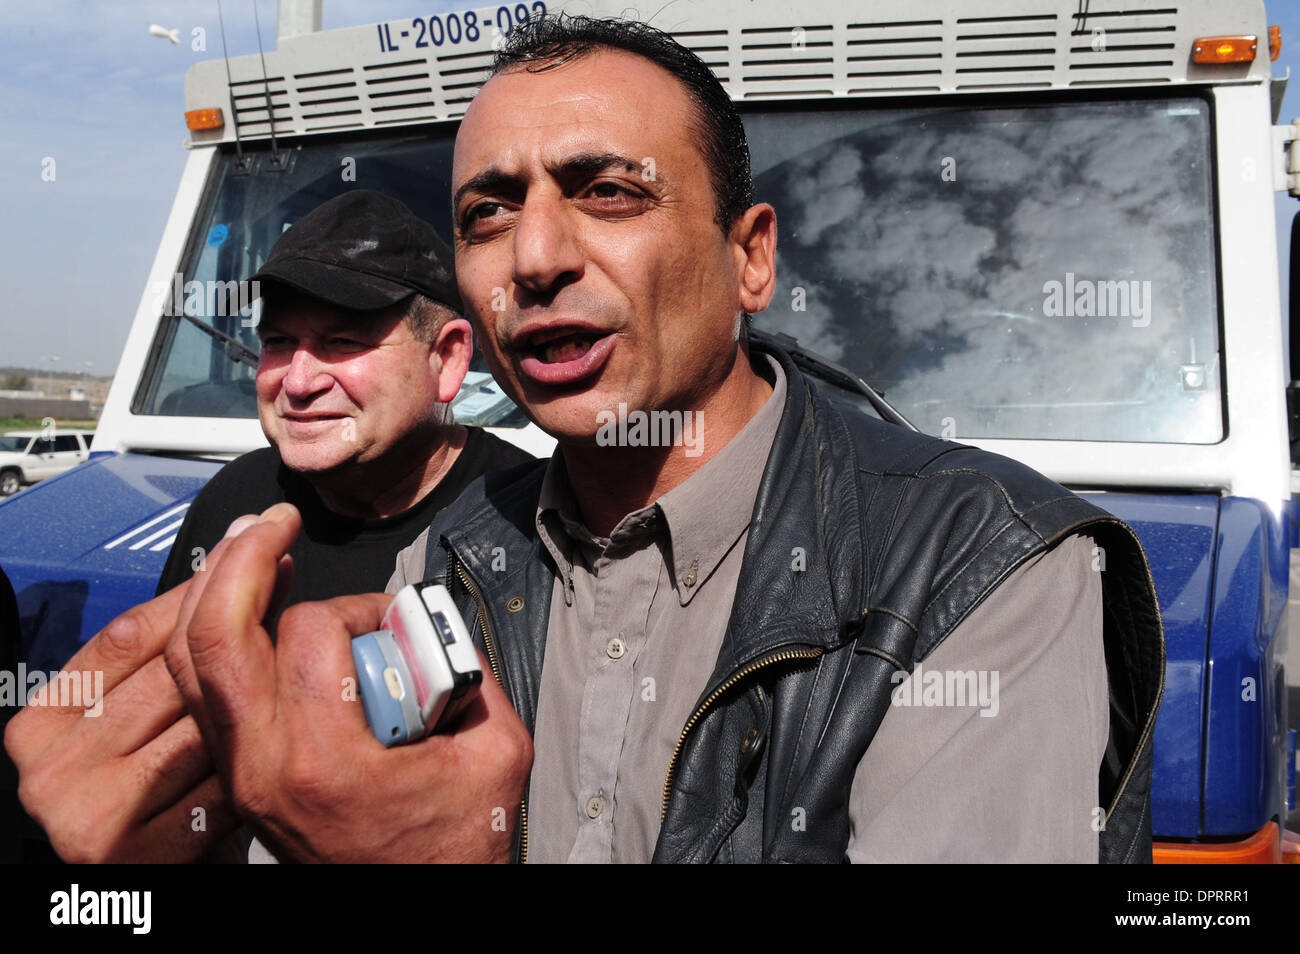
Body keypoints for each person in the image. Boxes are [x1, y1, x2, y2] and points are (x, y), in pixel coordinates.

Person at [6, 16, 1163, 865]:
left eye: (608, 191)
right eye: (487, 211)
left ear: (750, 255)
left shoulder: (984, 566)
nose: (534, 255)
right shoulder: (444, 563)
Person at [155, 189, 534, 611]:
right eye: (278, 342)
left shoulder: (533, 520)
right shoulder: (234, 497)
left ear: (445, 358)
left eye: (342, 342)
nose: (297, 384)